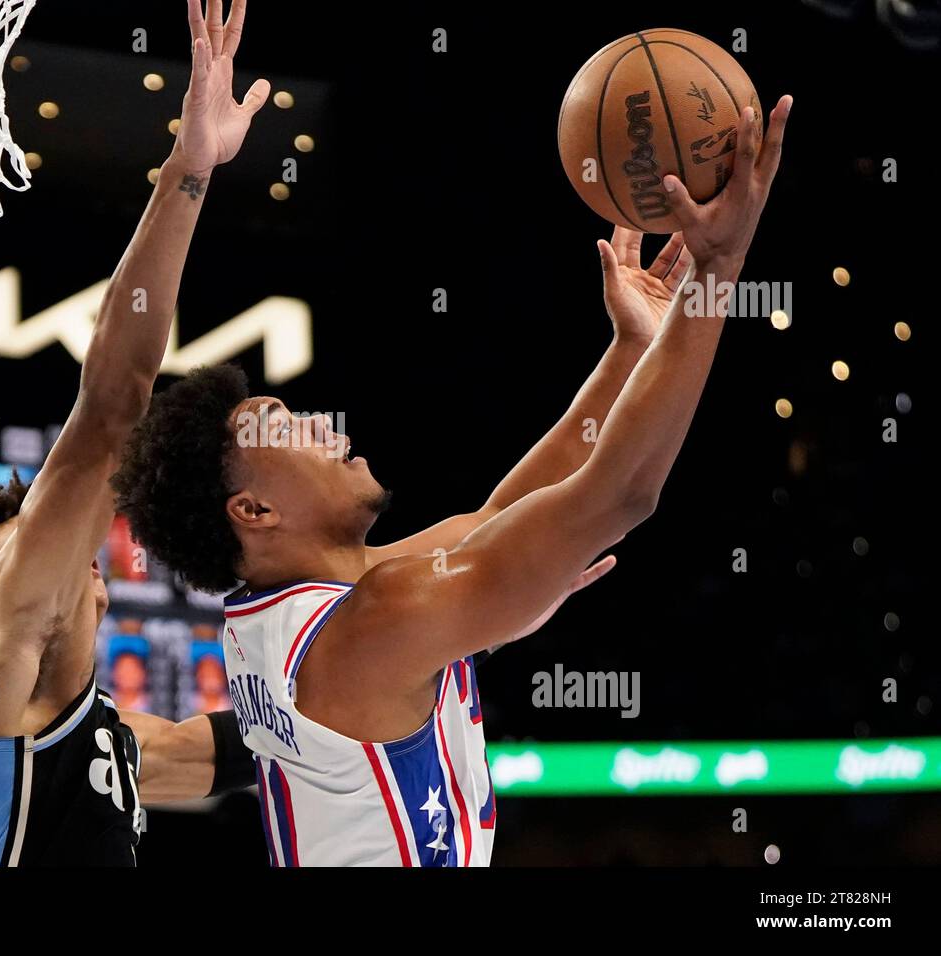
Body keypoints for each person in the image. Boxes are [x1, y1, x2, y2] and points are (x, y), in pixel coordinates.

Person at [110, 95, 794, 865]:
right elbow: (620, 494)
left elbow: (504, 512)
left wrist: (630, 354)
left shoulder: (291, 607)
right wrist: (718, 269)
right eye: (284, 425)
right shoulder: (373, 622)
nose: (323, 425)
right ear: (256, 509)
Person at [0, 0, 269, 866]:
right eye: (27, 538)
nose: (66, 544)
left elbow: (258, 747)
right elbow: (114, 406)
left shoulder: (115, 745)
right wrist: (190, 171)